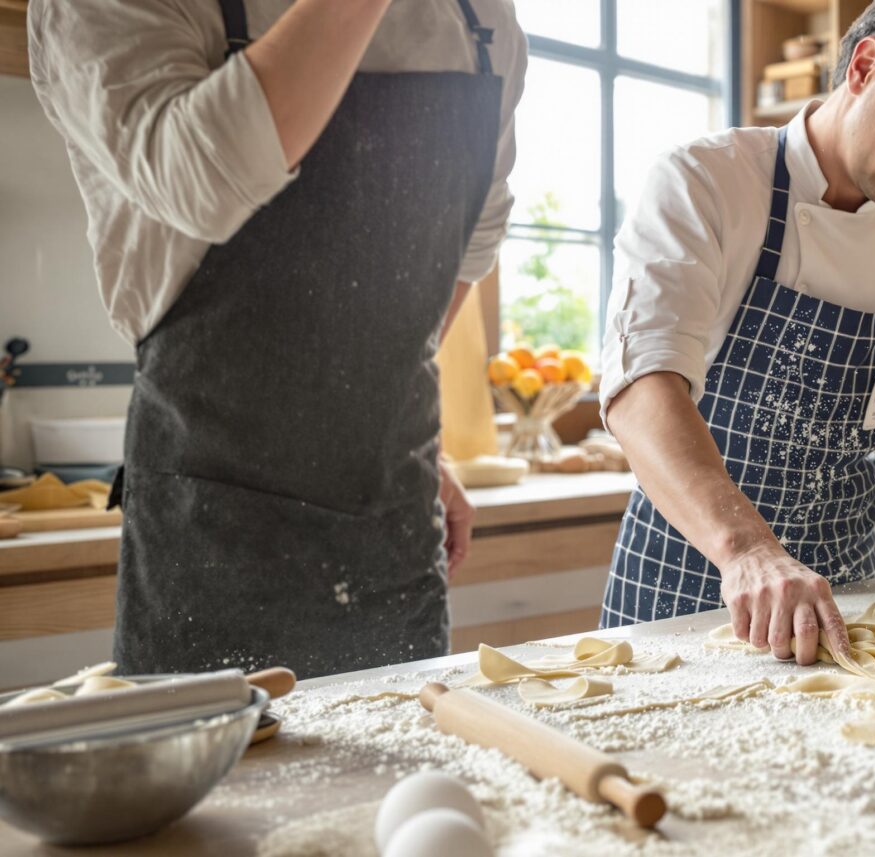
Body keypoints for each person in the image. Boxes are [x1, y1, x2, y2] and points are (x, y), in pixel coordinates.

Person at [29, 0, 527, 678]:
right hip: (213, 530)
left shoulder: (480, 15)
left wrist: (364, 410)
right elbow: (203, 179)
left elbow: (475, 240)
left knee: (404, 747)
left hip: (393, 516)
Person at [598, 0, 875, 665]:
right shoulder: (705, 181)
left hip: (846, 606)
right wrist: (748, 550)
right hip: (682, 594)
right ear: (864, 66)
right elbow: (643, 387)